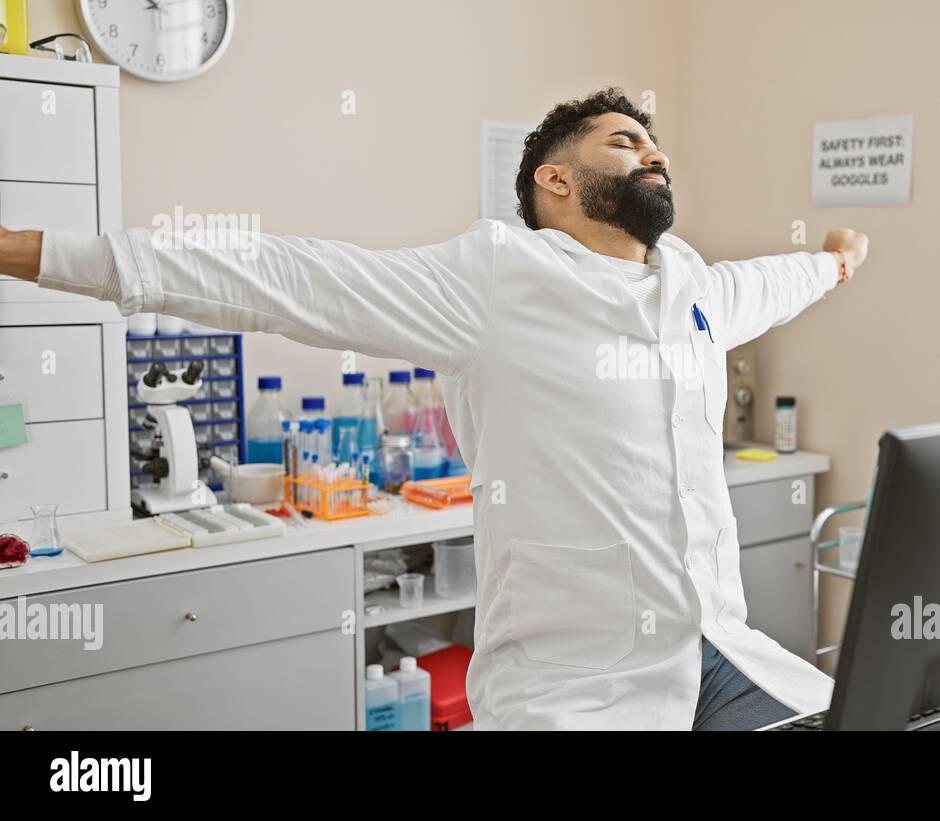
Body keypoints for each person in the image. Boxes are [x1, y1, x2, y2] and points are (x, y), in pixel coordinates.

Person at [0, 87, 868, 730]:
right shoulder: (496, 279)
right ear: (554, 180)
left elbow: (776, 280)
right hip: (579, 690)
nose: (654, 152)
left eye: (656, 142)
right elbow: (279, 276)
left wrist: (833, 260)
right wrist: (35, 252)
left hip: (719, 654)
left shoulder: (696, 288)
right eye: (624, 138)